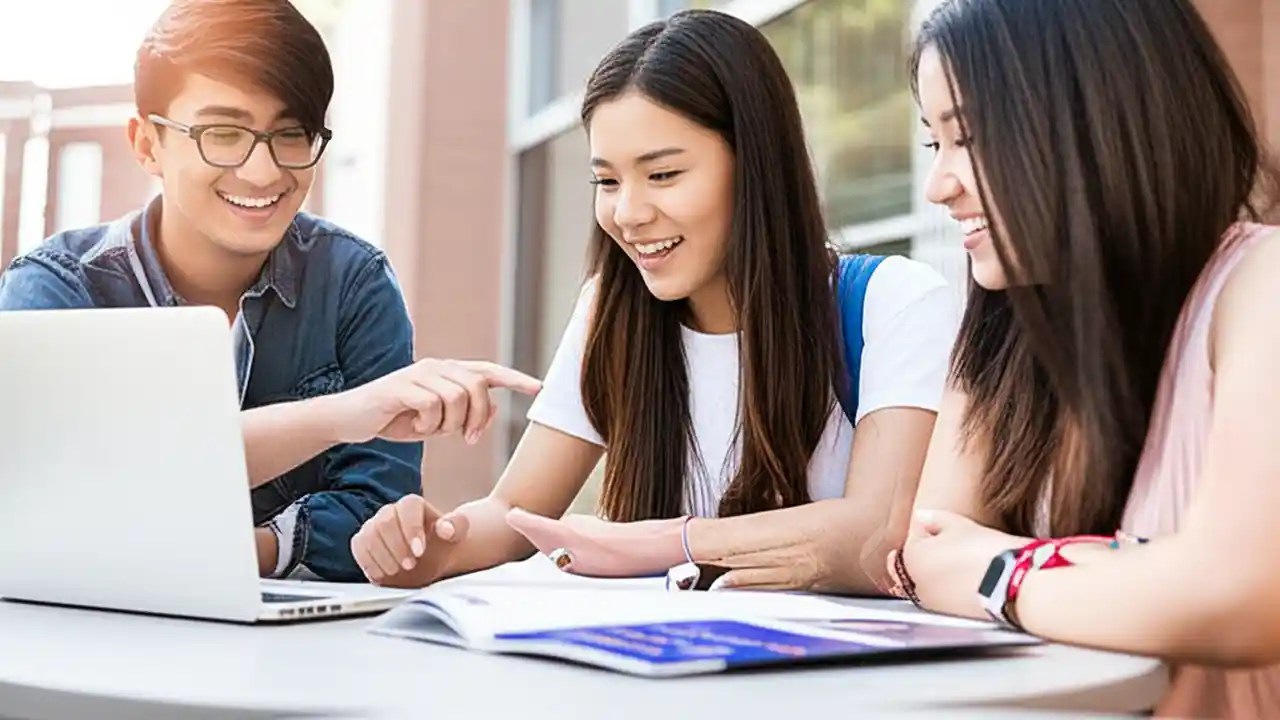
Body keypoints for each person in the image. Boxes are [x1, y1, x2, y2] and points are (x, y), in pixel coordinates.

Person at [351, 9, 957, 594]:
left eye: (663, 175)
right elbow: (514, 513)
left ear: (755, 166)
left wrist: (657, 544)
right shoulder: (611, 313)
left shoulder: (892, 303)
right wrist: (434, 547)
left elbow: (879, 533)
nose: (628, 213)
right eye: (607, 181)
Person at [0, 0, 539, 582]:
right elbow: (41, 492)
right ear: (146, 143)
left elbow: (375, 521)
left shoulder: (353, 283)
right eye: (224, 134)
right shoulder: (57, 289)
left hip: (297, 649)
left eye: (291, 133)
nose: (263, 172)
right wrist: (342, 416)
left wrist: (203, 552)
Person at [889, 0, 1280, 716]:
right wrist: (1130, 570)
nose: (938, 187)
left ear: (1094, 122)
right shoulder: (1004, 323)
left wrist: (1000, 571)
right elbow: (927, 551)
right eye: (932, 145)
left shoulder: (1261, 286)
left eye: (968, 138)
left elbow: (1239, 594)